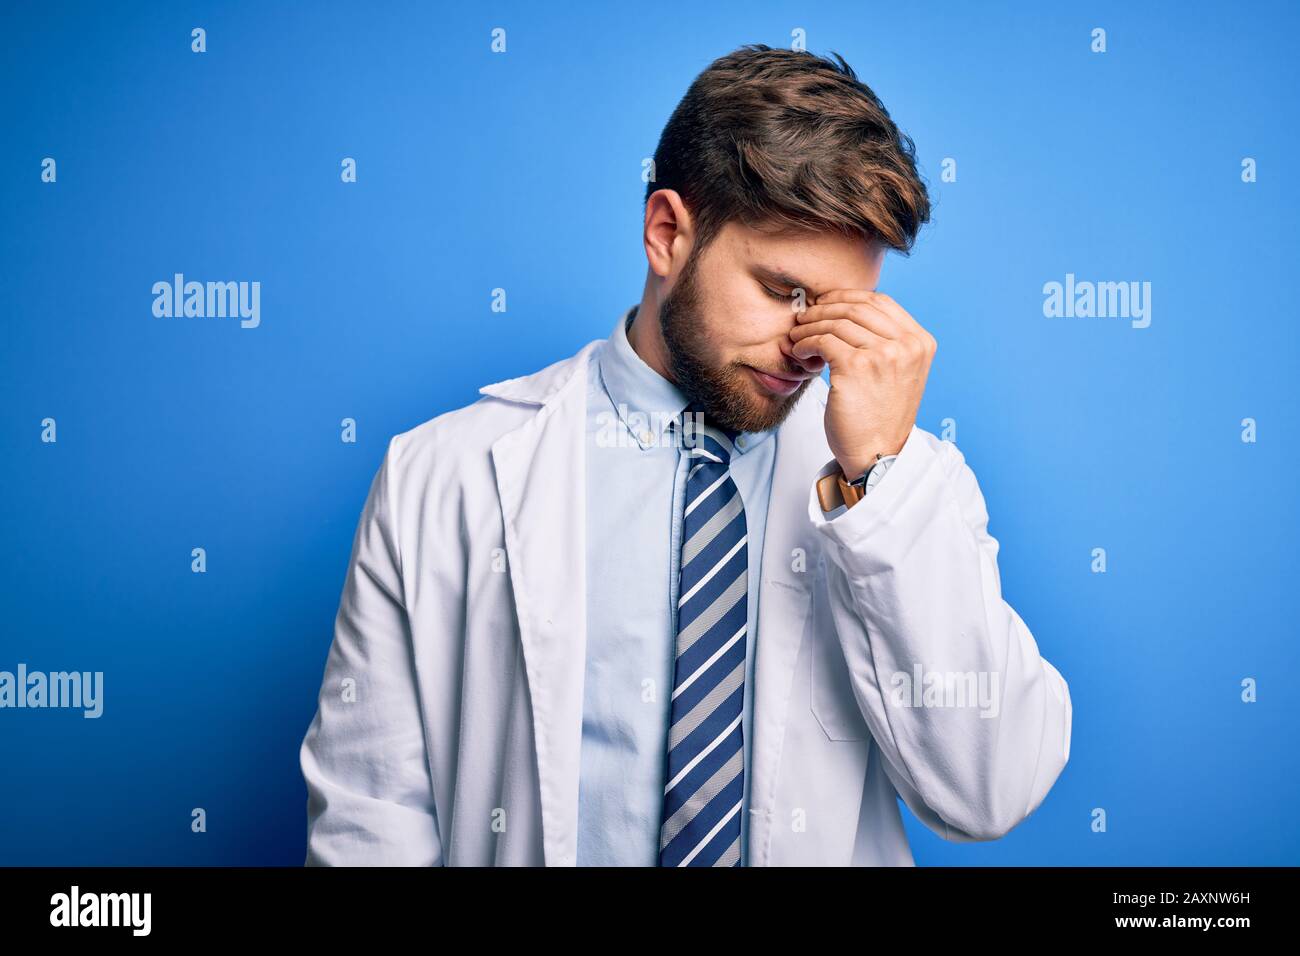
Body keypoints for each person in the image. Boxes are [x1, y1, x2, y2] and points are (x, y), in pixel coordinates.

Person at [299, 43, 1072, 866]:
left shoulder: (901, 488)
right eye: (783, 293)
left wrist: (876, 483)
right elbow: (367, 824)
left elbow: (991, 792)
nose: (810, 346)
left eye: (843, 308)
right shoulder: (438, 478)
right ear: (667, 232)